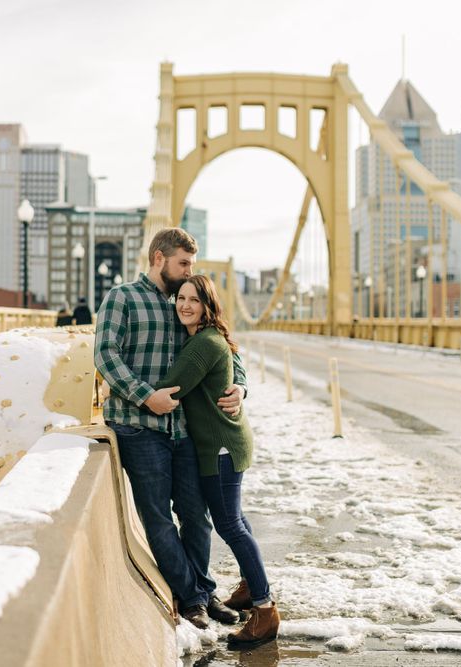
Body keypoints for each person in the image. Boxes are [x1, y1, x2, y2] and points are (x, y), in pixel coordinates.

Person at [94, 228, 246, 630]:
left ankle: (200, 589)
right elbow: (105, 356)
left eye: (192, 266)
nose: (188, 273)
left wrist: (240, 385)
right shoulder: (122, 297)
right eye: (183, 264)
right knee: (158, 517)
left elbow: (224, 346)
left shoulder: (188, 303)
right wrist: (146, 396)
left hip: (182, 429)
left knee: (197, 516)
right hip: (137, 426)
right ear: (159, 258)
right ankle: (195, 598)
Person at [156, 275, 279, 648]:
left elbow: (171, 387)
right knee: (236, 520)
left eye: (194, 300)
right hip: (228, 443)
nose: (184, 305)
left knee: (230, 525)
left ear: (208, 307)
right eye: (180, 298)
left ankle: (264, 608)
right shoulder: (207, 338)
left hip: (220, 449)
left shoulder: (202, 345)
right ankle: (248, 588)